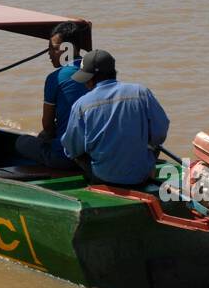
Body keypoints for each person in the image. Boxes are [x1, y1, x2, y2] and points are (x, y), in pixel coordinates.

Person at [60, 50, 169, 186]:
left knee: (76, 153)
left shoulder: (81, 104)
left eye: (86, 79)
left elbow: (71, 149)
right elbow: (160, 133)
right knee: (153, 146)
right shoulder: (141, 92)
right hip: (141, 174)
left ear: (92, 78)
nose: (85, 84)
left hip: (104, 177)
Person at [15, 22, 86, 170]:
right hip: (91, 155)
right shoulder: (96, 72)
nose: (49, 54)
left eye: (54, 49)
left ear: (68, 49)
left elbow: (47, 125)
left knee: (21, 142)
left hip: (66, 158)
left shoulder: (56, 77)